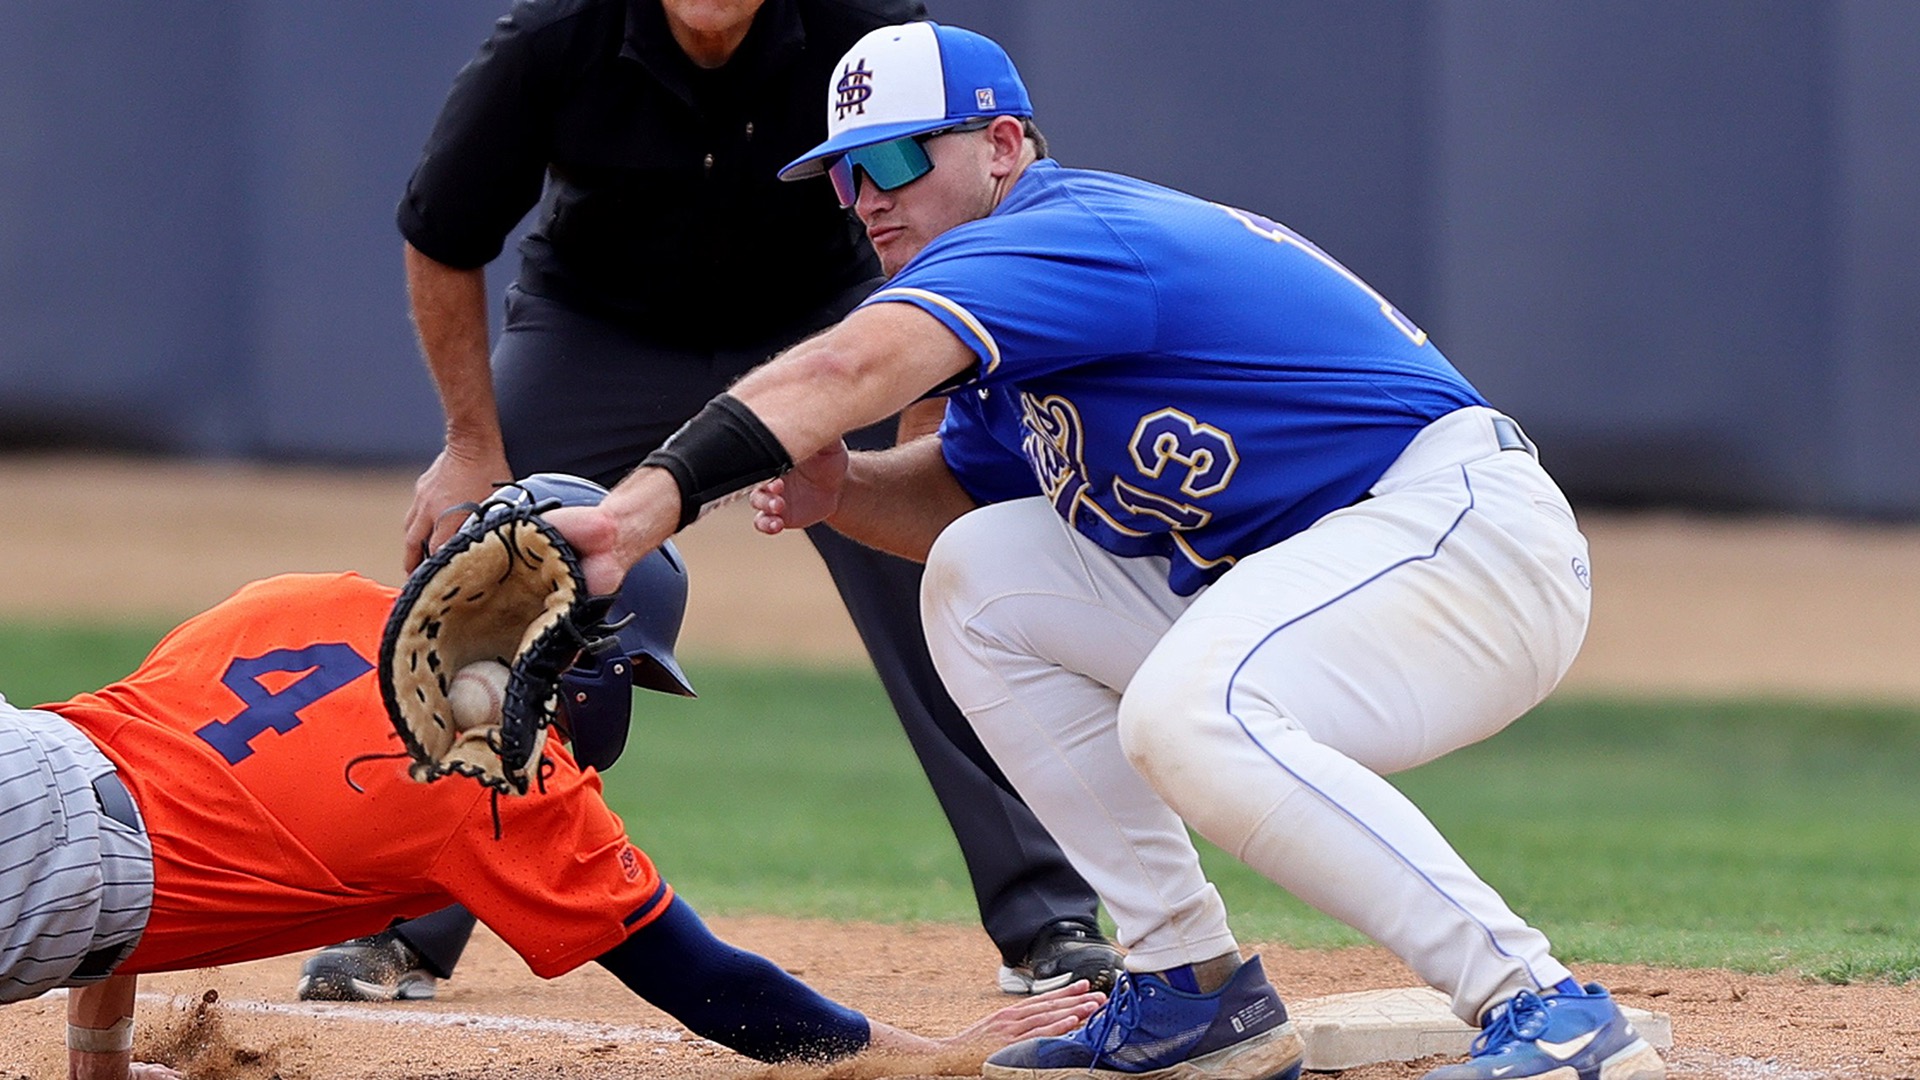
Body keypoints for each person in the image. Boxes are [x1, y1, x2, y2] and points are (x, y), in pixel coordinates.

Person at [535, 20, 1671, 1080]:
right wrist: (843, 490)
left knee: (1190, 711)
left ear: (1002, 146)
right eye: (843, 176)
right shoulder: (1015, 316)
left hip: (1460, 539)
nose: (867, 199)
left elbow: (843, 369)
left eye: (893, 161)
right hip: (1331, 565)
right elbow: (956, 503)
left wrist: (638, 513)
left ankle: (1544, 1002)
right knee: (981, 577)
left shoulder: (1063, 237)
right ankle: (1190, 988)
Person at [329, 0, 1120, 1003]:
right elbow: (442, 231)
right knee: (504, 568)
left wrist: (928, 430)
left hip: (829, 323)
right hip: (599, 328)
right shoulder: (556, 35)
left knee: (948, 569)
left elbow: (946, 225)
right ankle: (405, 915)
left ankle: (1048, 916)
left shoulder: (864, 27)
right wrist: (471, 447)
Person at [1, 477, 1104, 1080]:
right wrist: (934, 1058)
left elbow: (129, 792)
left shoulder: (298, 600)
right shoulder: (495, 775)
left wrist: (99, 1067)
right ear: (575, 657)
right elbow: (714, 987)